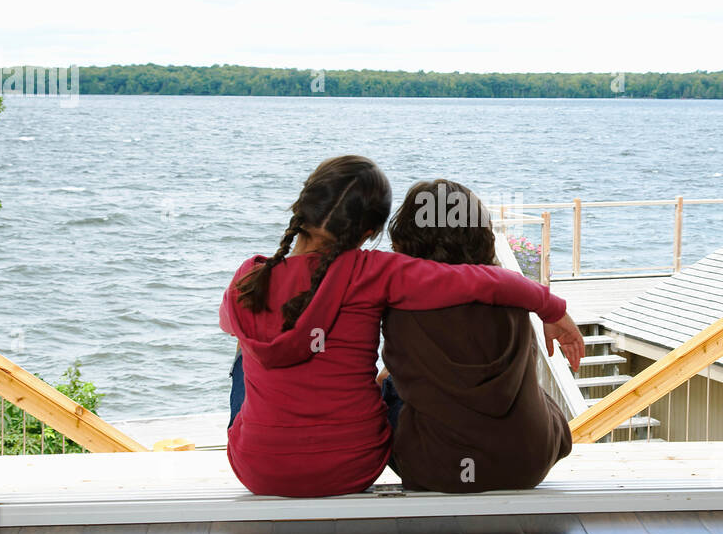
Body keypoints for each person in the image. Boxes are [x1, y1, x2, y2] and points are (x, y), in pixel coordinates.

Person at [219, 155, 583, 497]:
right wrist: (551, 309)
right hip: (359, 465)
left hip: (262, 470)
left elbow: (232, 328)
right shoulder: (375, 272)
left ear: (301, 208)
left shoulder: (247, 279)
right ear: (371, 231)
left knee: (243, 346)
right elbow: (479, 282)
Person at [380, 178, 575, 493]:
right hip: (526, 463)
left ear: (405, 239)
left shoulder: (399, 304)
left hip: (435, 468)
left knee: (385, 388)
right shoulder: (514, 297)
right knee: (535, 395)